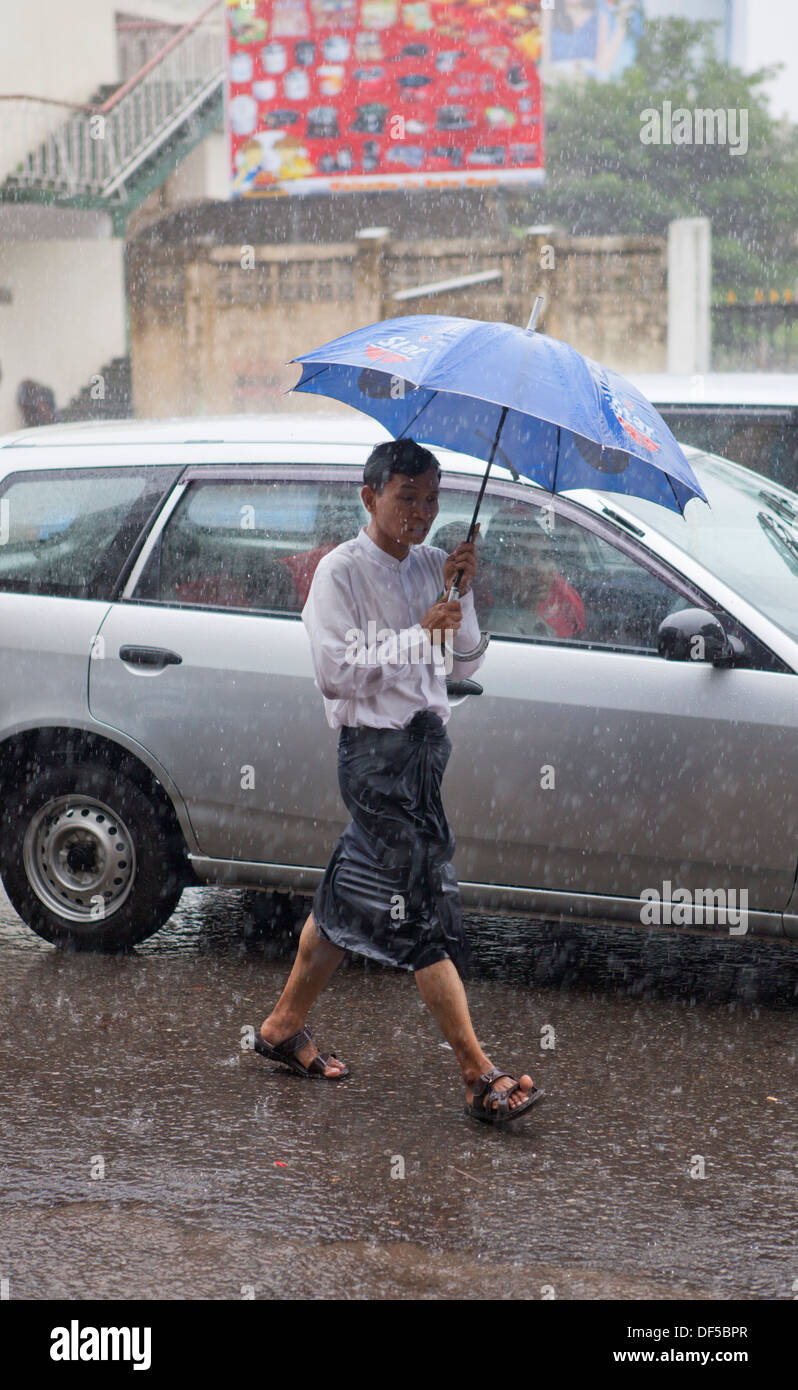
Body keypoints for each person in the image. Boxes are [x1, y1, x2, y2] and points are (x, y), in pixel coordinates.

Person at [255, 439, 545, 1125]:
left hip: (423, 759)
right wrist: (419, 633)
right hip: (373, 761)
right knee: (421, 913)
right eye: (406, 497)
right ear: (370, 498)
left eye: (431, 498)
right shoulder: (340, 574)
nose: (421, 512)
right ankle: (478, 1073)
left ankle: (281, 1027)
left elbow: (466, 664)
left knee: (344, 896)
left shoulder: (430, 567)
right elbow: (335, 672)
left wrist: (460, 594)